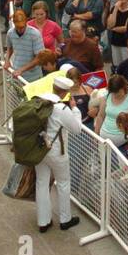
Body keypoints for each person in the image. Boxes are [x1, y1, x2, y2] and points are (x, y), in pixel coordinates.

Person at [35, 75, 83, 233]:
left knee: (42, 183)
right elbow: (77, 129)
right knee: (63, 183)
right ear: (64, 92)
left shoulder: (39, 101)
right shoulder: (62, 109)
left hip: (39, 148)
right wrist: (75, 109)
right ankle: (65, 219)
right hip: (56, 151)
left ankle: (43, 221)